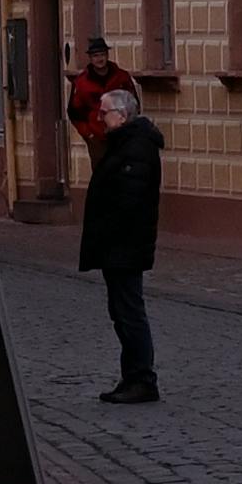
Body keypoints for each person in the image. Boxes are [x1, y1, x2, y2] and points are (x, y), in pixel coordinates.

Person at [79, 87, 164, 403]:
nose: (100, 118)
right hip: (119, 246)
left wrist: (108, 235)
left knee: (129, 313)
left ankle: (142, 378)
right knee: (122, 312)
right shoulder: (123, 145)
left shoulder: (136, 148)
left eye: (105, 113)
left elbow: (129, 202)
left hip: (126, 246)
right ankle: (133, 376)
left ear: (123, 115)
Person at [68, 35, 138, 162]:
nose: (99, 59)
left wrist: (129, 129)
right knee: (102, 176)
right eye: (95, 56)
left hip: (122, 136)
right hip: (98, 139)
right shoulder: (81, 83)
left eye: (102, 54)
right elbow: (75, 114)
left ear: (107, 55)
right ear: (90, 58)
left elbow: (133, 105)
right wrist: (89, 135)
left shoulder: (122, 77)